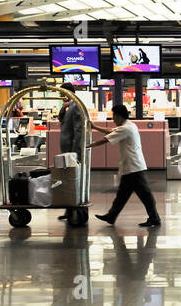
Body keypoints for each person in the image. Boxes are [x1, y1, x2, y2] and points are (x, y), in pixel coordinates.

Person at [91, 104, 161, 228]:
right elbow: (112, 131)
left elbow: (106, 139)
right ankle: (111, 216)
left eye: (113, 116)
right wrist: (95, 127)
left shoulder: (125, 129)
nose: (113, 119)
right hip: (131, 167)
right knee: (122, 195)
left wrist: (89, 146)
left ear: (118, 116)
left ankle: (154, 218)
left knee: (145, 195)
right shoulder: (129, 125)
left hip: (134, 167)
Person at [57, 85, 85, 221]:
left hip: (72, 151)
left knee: (73, 180)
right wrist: (63, 108)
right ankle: (69, 209)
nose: (59, 96)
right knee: (67, 179)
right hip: (67, 150)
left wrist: (75, 153)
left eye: (61, 93)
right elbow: (61, 120)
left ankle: (74, 209)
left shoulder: (77, 105)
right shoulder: (70, 105)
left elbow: (79, 130)